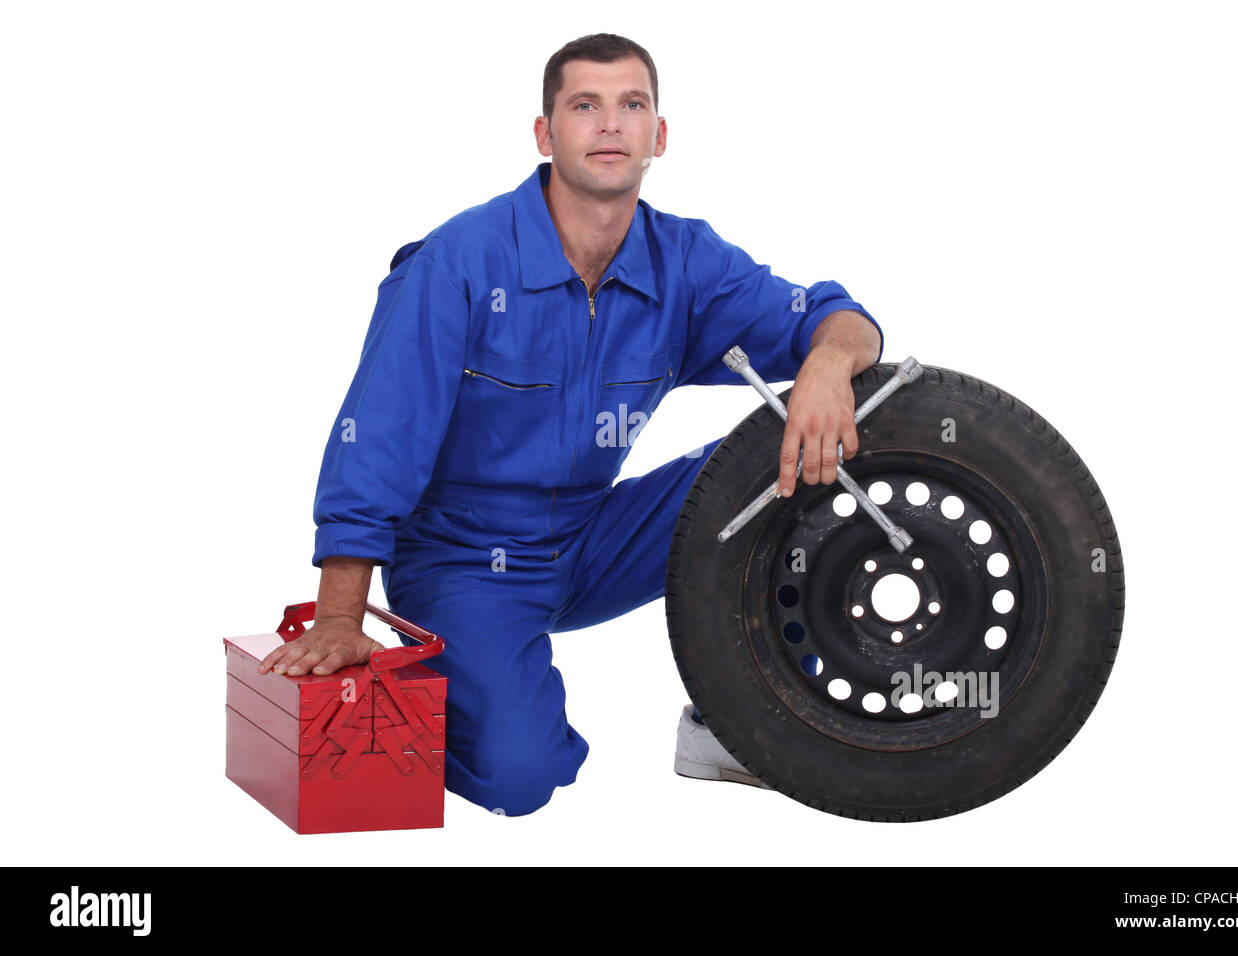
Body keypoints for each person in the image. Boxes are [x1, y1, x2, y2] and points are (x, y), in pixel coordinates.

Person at [258, 33, 883, 816]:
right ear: (545, 133)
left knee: (787, 448)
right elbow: (377, 437)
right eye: (584, 105)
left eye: (632, 105)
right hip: (459, 558)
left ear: (660, 136)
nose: (610, 125)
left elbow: (837, 319)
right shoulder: (457, 263)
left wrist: (824, 366)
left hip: (594, 538)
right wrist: (341, 618)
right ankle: (447, 668)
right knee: (524, 776)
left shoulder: (684, 260)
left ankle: (744, 718)